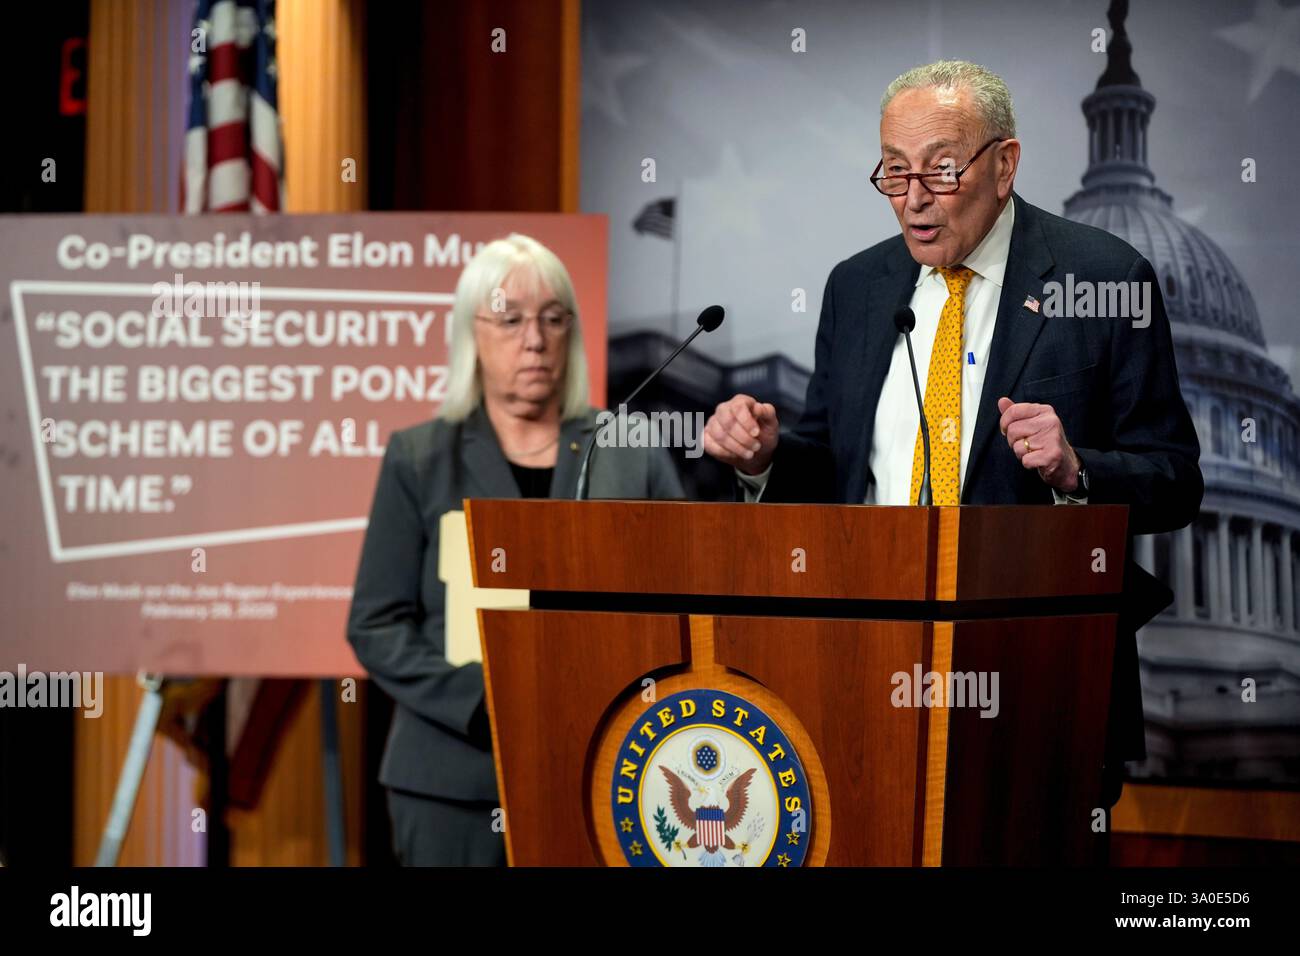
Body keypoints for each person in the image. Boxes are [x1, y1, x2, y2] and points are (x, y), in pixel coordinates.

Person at [702, 60, 1202, 815]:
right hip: (864, 675)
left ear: (1004, 164)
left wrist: (1075, 470)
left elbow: (1174, 479)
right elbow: (838, 470)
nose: (912, 201)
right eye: (893, 174)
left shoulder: (1105, 279)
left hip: (1038, 688)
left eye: (939, 170)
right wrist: (766, 458)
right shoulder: (858, 287)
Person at [348, 233, 684, 865]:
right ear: (471, 335)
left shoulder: (629, 450)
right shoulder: (418, 459)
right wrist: (486, 702)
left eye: (554, 319)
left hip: (605, 773)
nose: (535, 339)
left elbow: (685, 600)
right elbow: (375, 623)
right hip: (451, 785)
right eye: (510, 319)